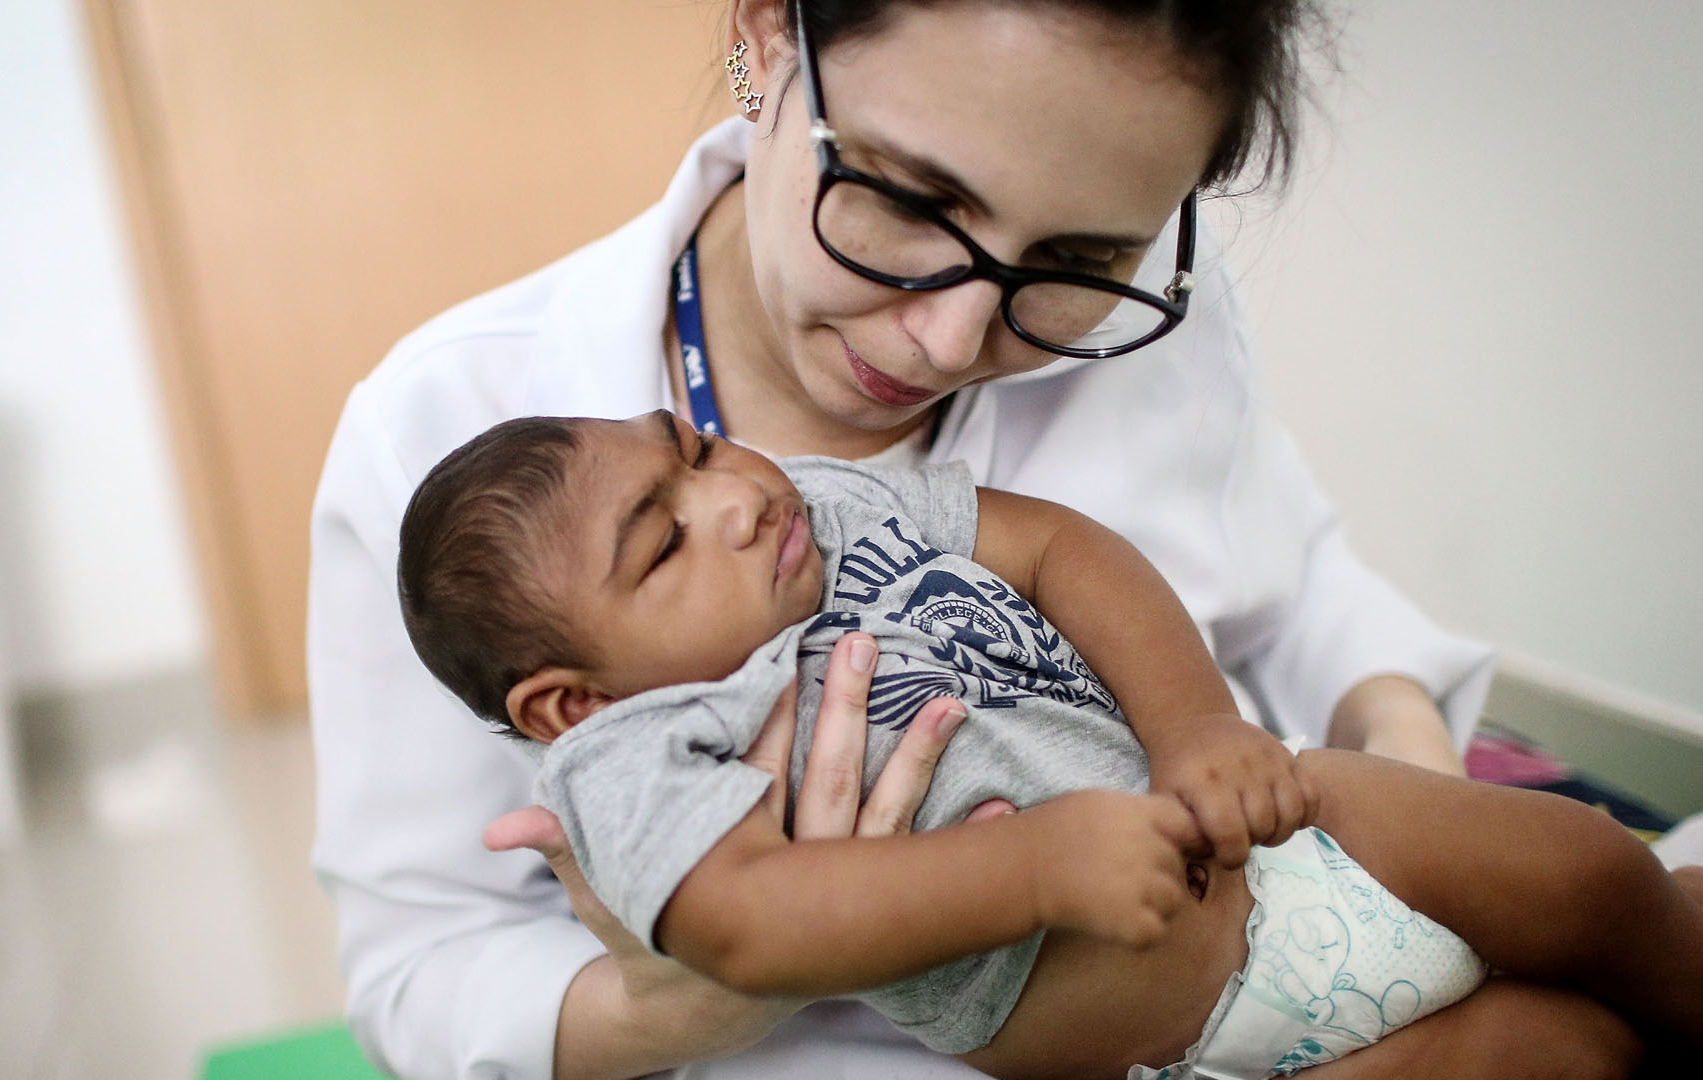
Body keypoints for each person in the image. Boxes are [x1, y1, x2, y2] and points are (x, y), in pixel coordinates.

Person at [308, 1, 1641, 1075]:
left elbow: (1289, 591)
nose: (947, 341)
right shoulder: (439, 429)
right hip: (1056, 1035)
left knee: (1596, 965)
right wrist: (691, 1001)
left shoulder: (1141, 327)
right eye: (906, 200)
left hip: (1265, 877)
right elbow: (422, 967)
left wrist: (1408, 770)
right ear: (765, 34)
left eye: (1078, 261)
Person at [390, 410, 1703, 1078]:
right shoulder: (628, 760)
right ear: (569, 705)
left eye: (697, 450)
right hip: (1201, 1036)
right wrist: (1033, 871)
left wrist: (1195, 725)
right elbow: (743, 924)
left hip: (1292, 839)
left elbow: (1062, 547)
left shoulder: (825, 509)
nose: (732, 496)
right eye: (665, 541)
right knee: (1563, 1057)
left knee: (1592, 878)